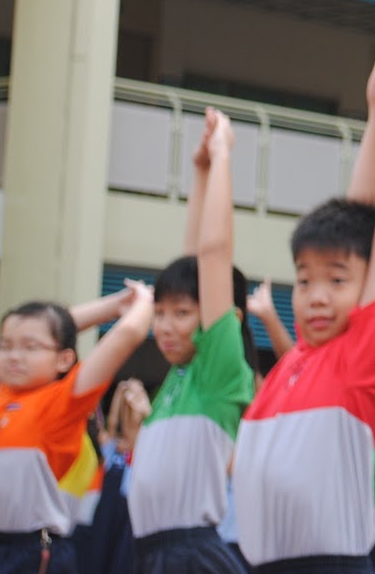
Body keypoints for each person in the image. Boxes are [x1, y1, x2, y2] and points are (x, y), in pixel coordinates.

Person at [231, 38, 375, 573]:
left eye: (337, 280)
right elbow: (359, 222)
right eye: (304, 281)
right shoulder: (298, 357)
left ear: (368, 288)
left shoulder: (362, 355)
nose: (317, 294)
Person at [129, 107, 257, 574]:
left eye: (181, 314)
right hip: (150, 551)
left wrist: (223, 156)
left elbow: (212, 255)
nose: (164, 325)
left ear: (221, 320)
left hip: (190, 554)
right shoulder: (179, 378)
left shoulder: (219, 374)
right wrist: (199, 173)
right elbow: (191, 264)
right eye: (159, 313)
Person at [0, 287, 155, 574]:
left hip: (27, 552)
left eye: (29, 347)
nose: (14, 355)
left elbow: (126, 337)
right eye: (5, 345)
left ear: (64, 359)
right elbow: (52, 326)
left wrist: (143, 301)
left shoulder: (60, 404)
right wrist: (113, 305)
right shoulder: (2, 398)